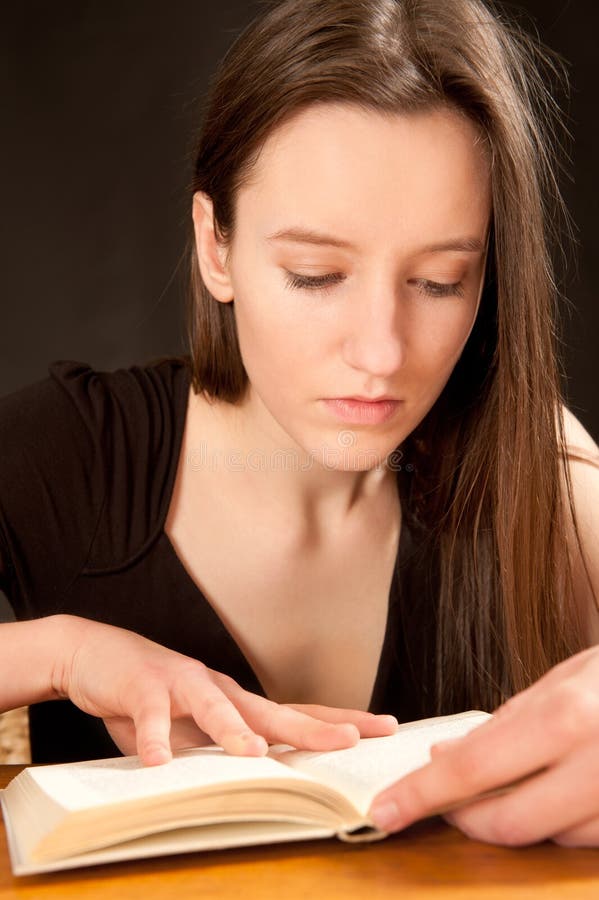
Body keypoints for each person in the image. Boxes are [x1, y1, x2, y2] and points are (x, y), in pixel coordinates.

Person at [1, 0, 598, 849]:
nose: (381, 353)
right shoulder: (67, 454)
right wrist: (58, 654)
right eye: (316, 275)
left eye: (438, 282)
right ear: (218, 248)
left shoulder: (530, 458)